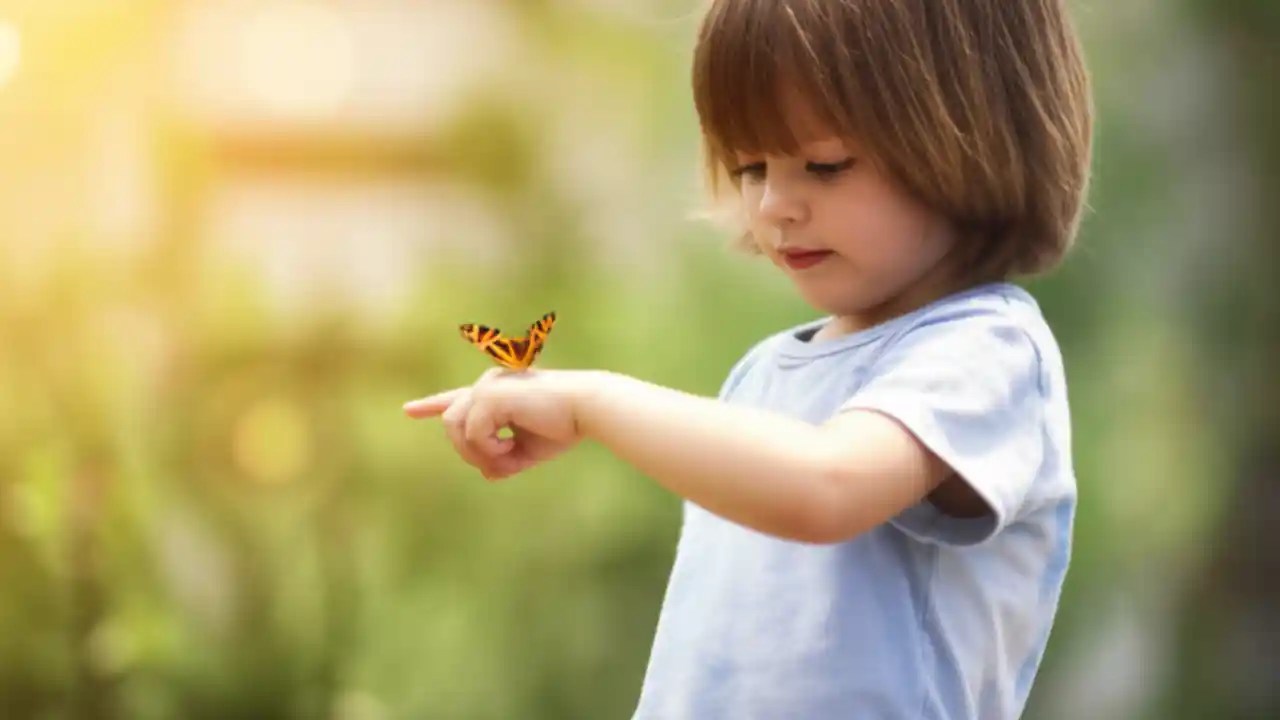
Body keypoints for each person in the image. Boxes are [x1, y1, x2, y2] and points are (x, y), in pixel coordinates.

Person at [404, 0, 1093, 716]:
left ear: (971, 137)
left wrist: (592, 403)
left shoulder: (985, 350)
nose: (773, 206)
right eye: (751, 167)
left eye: (823, 166)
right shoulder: (764, 374)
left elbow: (825, 489)